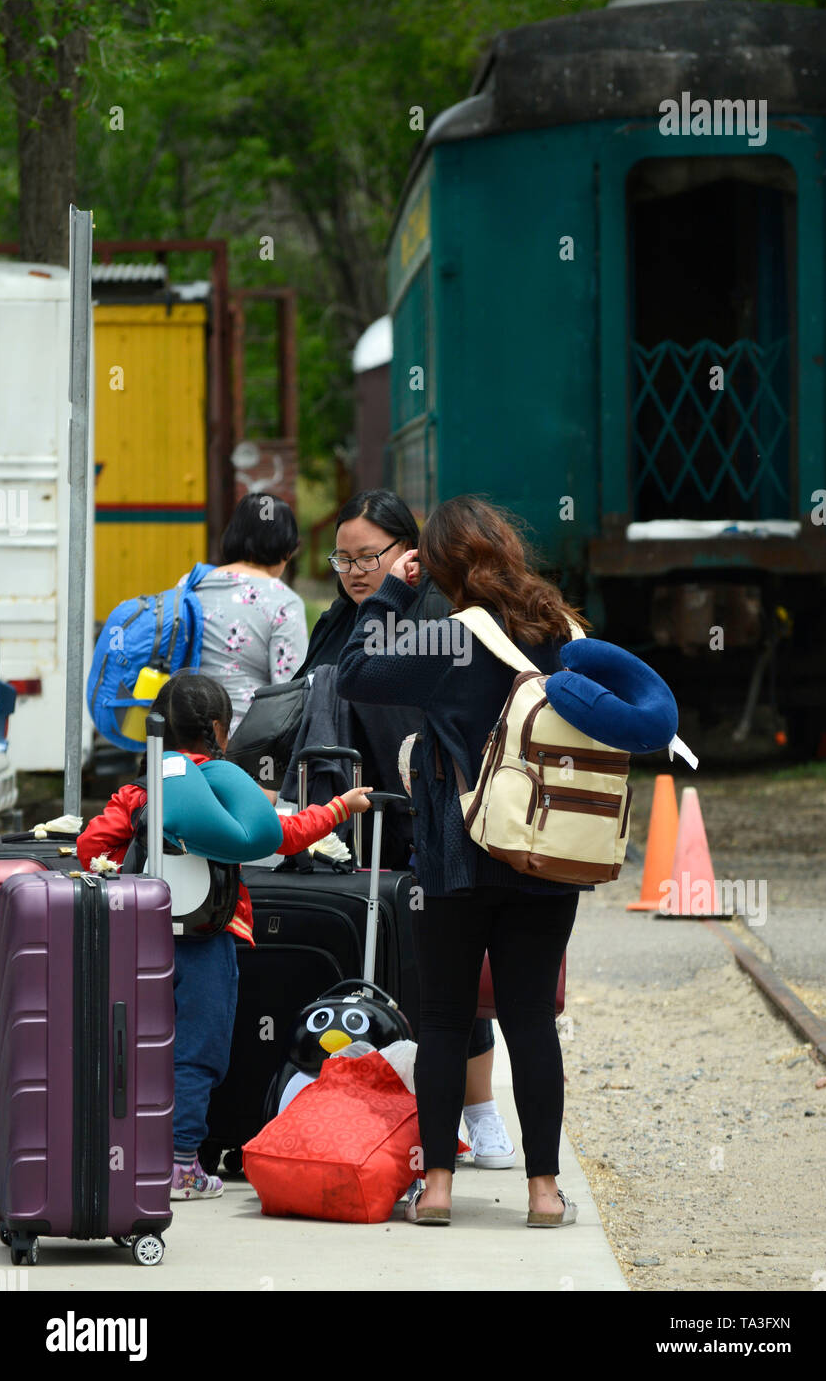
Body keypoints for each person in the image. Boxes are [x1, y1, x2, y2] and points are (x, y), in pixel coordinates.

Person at [336, 495, 588, 1226]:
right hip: (545, 856)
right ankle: (543, 1193)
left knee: (444, 1020)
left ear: (438, 567)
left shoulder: (444, 642)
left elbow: (353, 670)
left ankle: (439, 1187)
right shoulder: (563, 634)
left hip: (456, 858)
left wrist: (392, 591)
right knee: (531, 1021)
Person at [77, 671, 372, 1201]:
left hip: (136, 940)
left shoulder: (137, 792)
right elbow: (282, 837)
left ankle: (122, 1154)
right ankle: (181, 1164)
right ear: (218, 728)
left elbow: (91, 848)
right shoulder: (224, 792)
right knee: (196, 1053)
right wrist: (339, 808)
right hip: (209, 941)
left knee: (130, 1046)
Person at [295, 488, 514, 1168]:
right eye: (343, 557)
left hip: (428, 822)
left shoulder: (437, 618)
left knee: (444, 981)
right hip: (344, 830)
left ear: (408, 556)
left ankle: (481, 1118)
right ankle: (354, 1113)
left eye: (371, 556)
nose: (356, 570)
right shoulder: (334, 622)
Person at [193, 493, 307, 735]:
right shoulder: (284, 601)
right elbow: (289, 694)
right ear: (286, 546)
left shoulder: (192, 585)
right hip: (245, 740)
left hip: (185, 733)